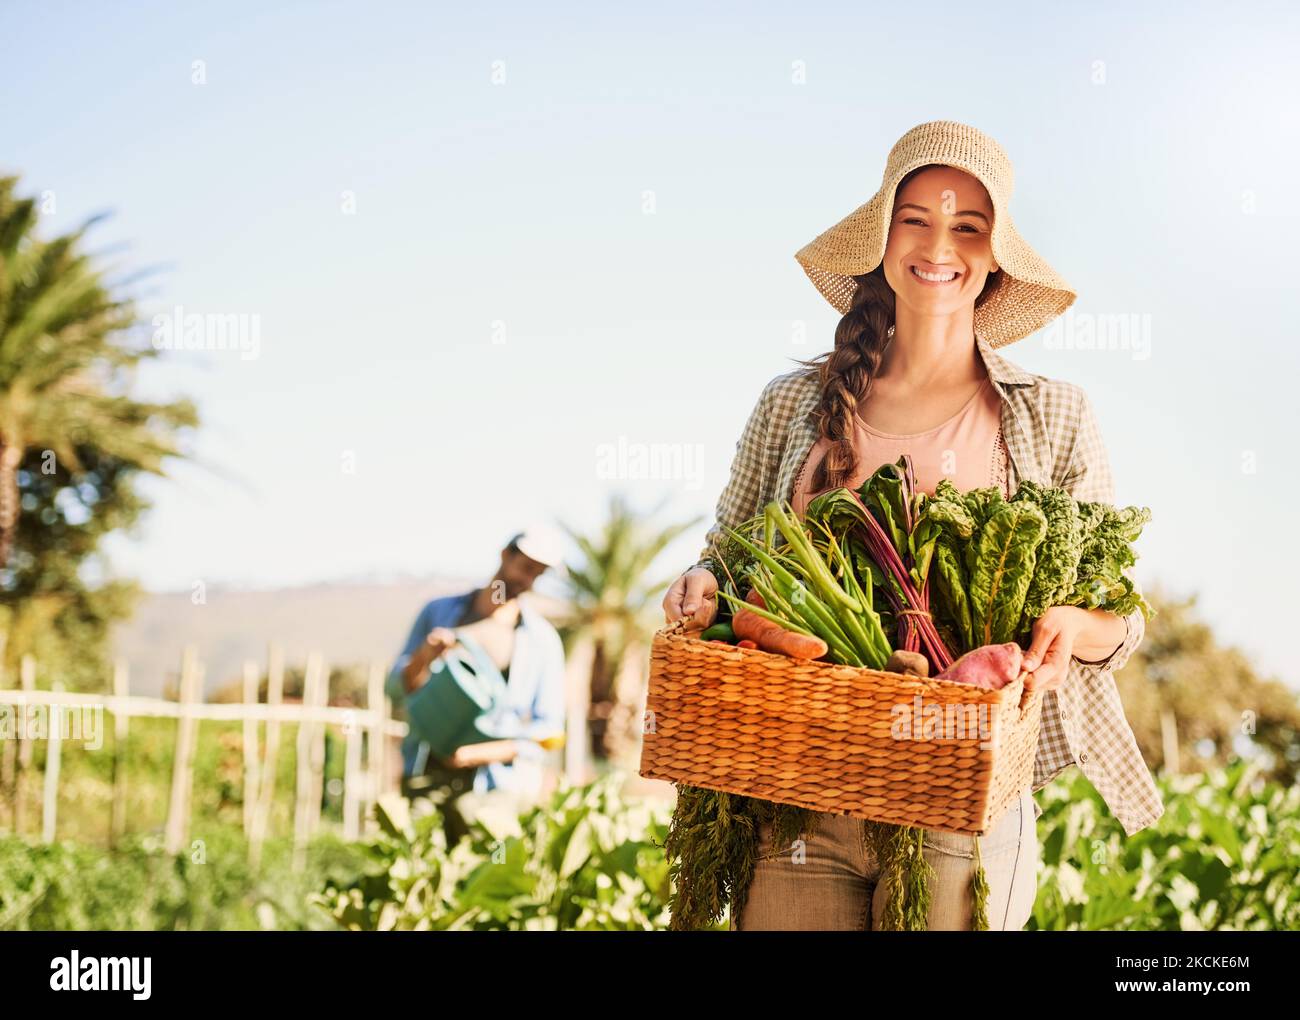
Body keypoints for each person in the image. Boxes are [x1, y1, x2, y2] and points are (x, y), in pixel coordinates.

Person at [662, 120, 1164, 931]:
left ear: (995, 255)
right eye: (917, 219)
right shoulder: (792, 403)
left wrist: (1067, 626)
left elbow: (1123, 622)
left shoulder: (1053, 415)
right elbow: (726, 554)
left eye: (969, 226)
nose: (941, 245)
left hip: (958, 803)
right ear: (884, 238)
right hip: (797, 795)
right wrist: (703, 586)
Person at [387, 525, 567, 844]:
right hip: (426, 771)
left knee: (478, 881)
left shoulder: (542, 641)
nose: (526, 580)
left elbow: (547, 730)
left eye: (536, 574)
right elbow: (397, 688)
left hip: (494, 789)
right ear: (504, 555)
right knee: (414, 864)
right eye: (524, 567)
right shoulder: (440, 613)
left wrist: (473, 755)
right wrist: (424, 656)